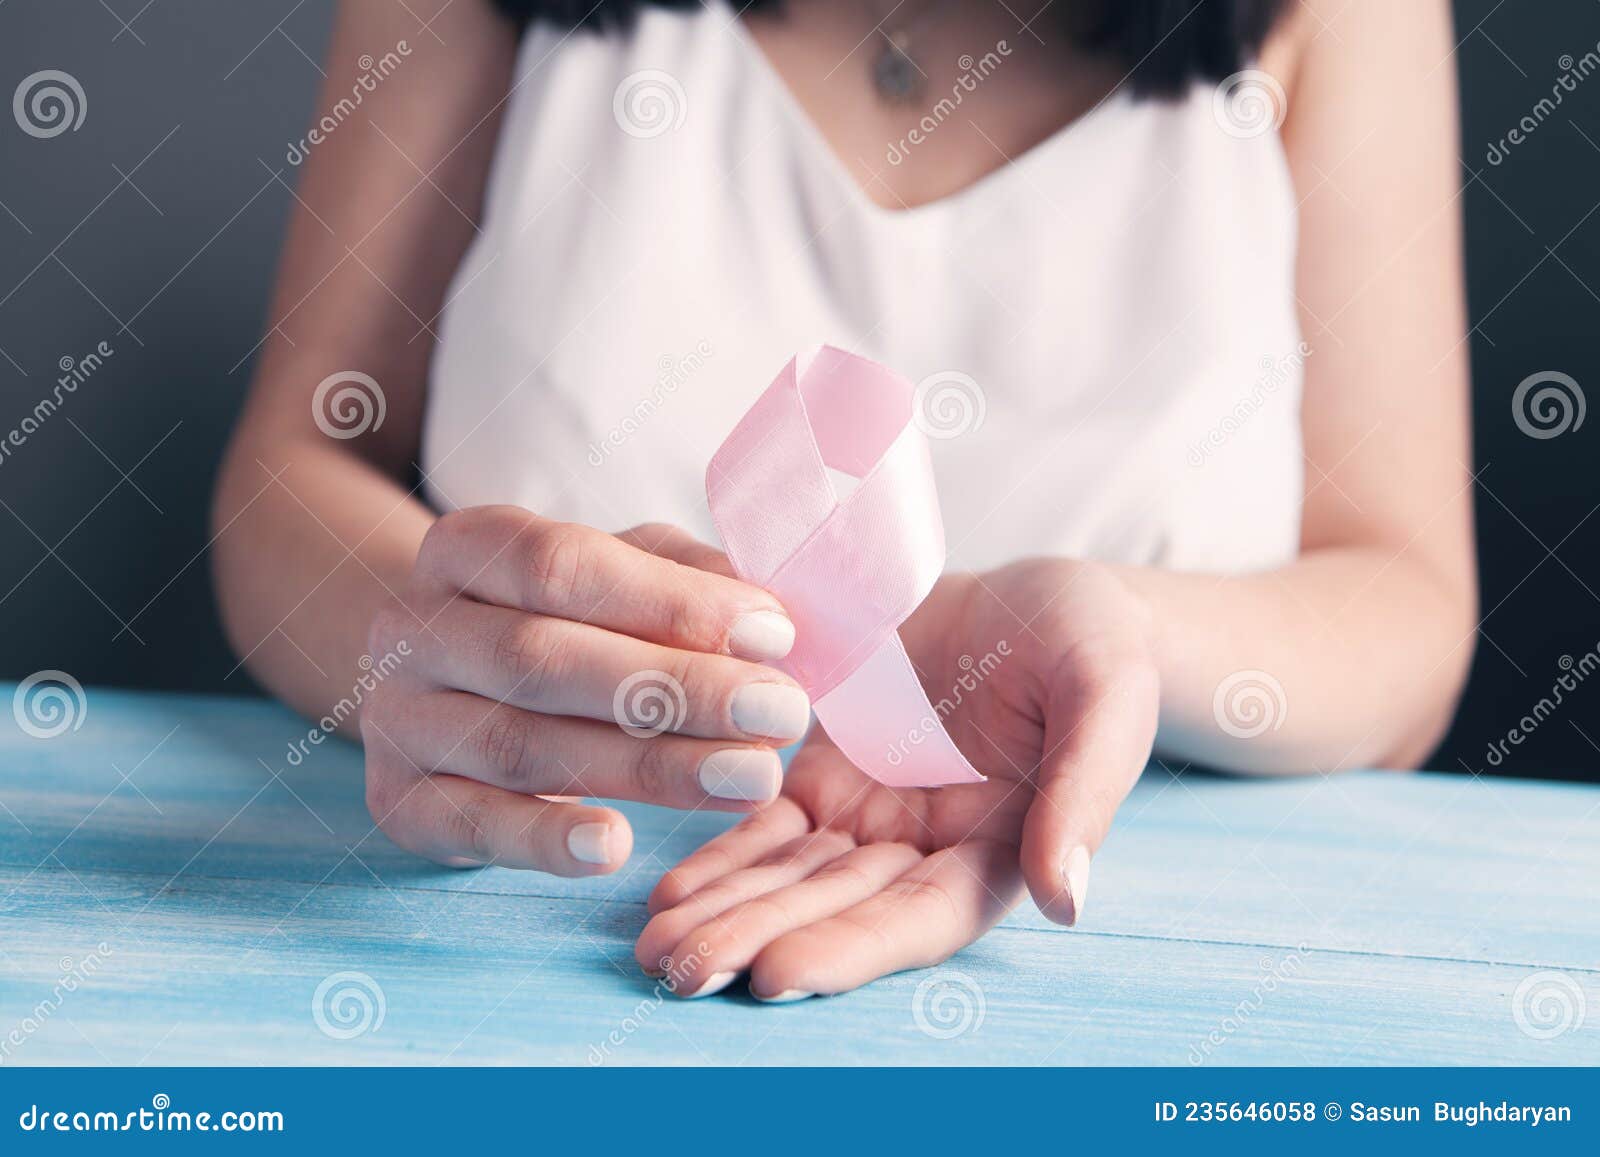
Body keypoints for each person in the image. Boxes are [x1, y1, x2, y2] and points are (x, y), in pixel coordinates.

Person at [213, 0, 1475, 1001]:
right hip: (474, 925)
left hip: (1149, 972)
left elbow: (1404, 601)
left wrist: (1123, 635)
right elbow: (292, 471)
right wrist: (420, 636)